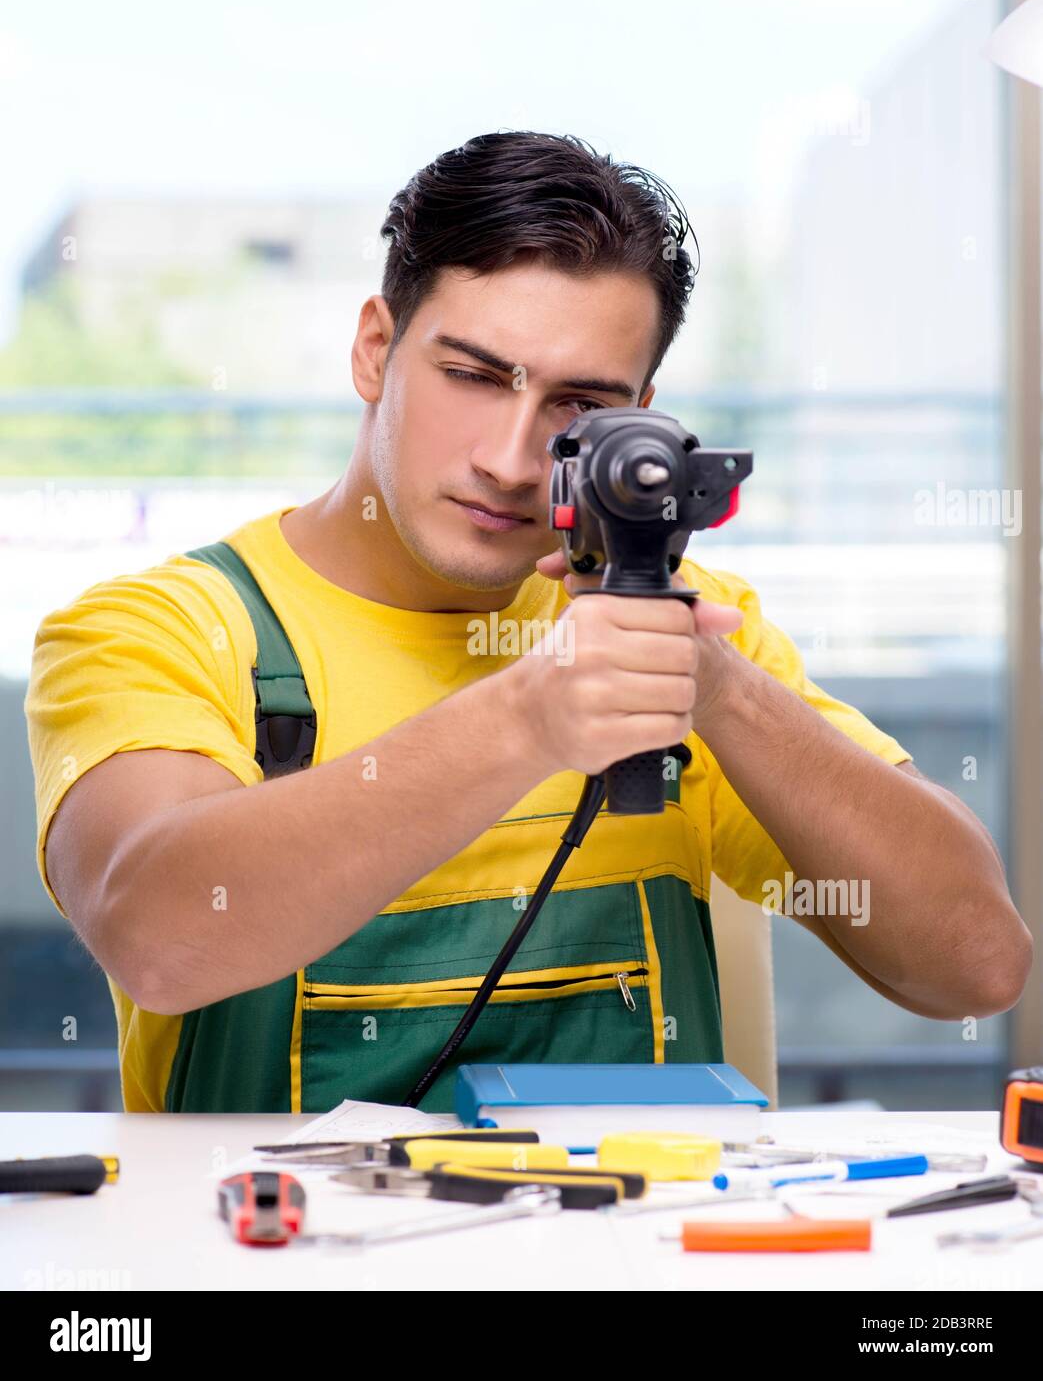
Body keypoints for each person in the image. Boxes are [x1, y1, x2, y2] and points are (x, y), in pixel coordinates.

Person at [24, 131, 1030, 1114]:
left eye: (575, 403)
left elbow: (975, 963)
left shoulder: (687, 632)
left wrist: (714, 689)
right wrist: (529, 718)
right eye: (471, 375)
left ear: (637, 414)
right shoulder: (162, 630)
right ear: (375, 349)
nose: (508, 458)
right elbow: (156, 934)